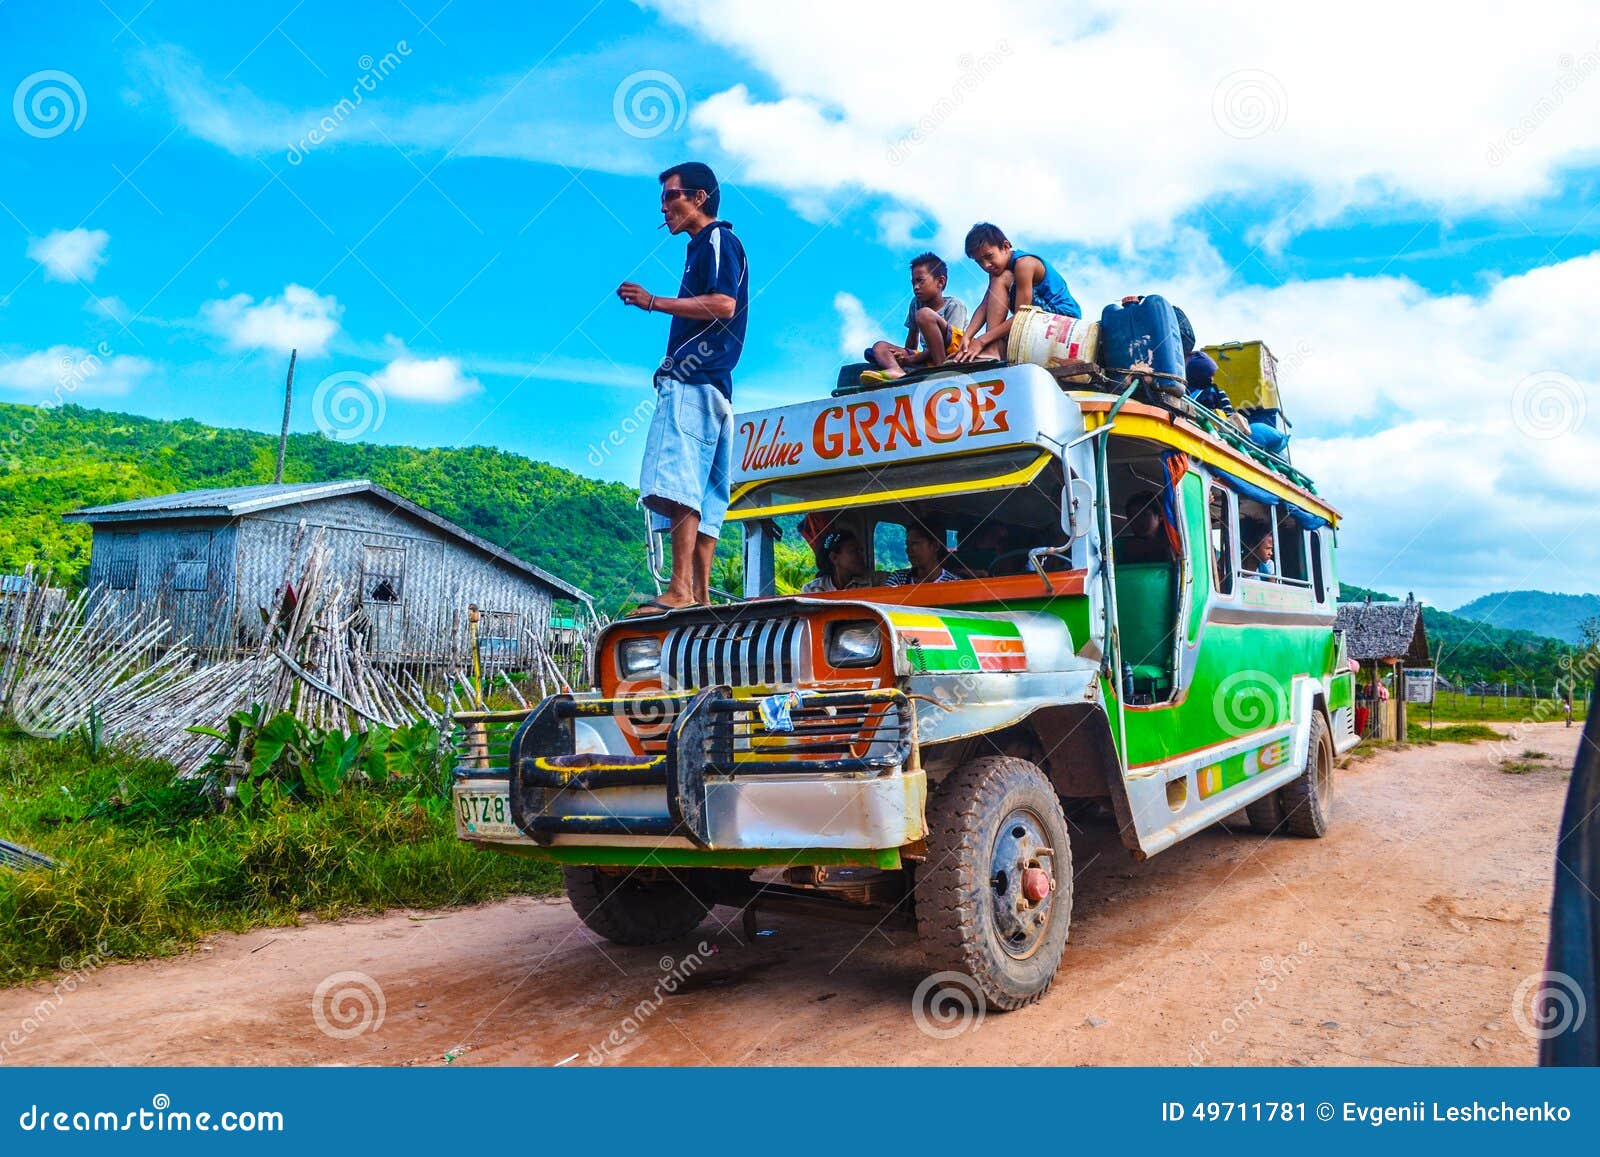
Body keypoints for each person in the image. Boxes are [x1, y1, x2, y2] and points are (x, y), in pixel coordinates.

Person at [617, 162, 748, 614]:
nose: (665, 206)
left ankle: (680, 590)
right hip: (716, 386)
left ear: (699, 197)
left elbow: (723, 304)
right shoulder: (705, 246)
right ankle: (701, 595)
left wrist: (653, 302)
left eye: (671, 196)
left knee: (677, 483)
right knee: (707, 493)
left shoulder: (714, 239)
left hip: (695, 380)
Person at [953, 222, 1080, 363]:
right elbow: (985, 305)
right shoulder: (996, 270)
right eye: (979, 262)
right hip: (1033, 316)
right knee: (998, 278)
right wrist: (967, 337)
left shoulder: (1024, 264)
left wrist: (982, 341)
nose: (986, 265)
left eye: (989, 256)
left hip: (1063, 316)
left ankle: (995, 348)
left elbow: (1022, 317)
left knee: (1002, 277)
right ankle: (994, 347)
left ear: (1005, 247)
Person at [862, 253, 969, 382]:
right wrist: (903, 358)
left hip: (949, 356)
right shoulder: (916, 303)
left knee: (924, 314)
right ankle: (897, 372)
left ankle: (941, 371)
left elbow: (952, 344)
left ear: (940, 281)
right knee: (879, 347)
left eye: (920, 281)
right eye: (913, 283)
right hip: (926, 357)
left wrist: (912, 359)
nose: (916, 287)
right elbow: (912, 340)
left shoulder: (954, 306)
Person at [801, 529, 875, 592]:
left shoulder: (873, 582)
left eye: (861, 550)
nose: (861, 555)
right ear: (834, 558)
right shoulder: (812, 590)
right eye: (853, 551)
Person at [885, 523, 961, 585]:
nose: (908, 550)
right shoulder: (898, 578)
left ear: (935, 546)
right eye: (907, 544)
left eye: (915, 543)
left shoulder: (954, 583)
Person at [1115, 490, 1170, 564]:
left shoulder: (1175, 545)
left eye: (1144, 515)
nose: (1138, 521)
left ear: (1160, 515)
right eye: (1132, 517)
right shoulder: (1123, 547)